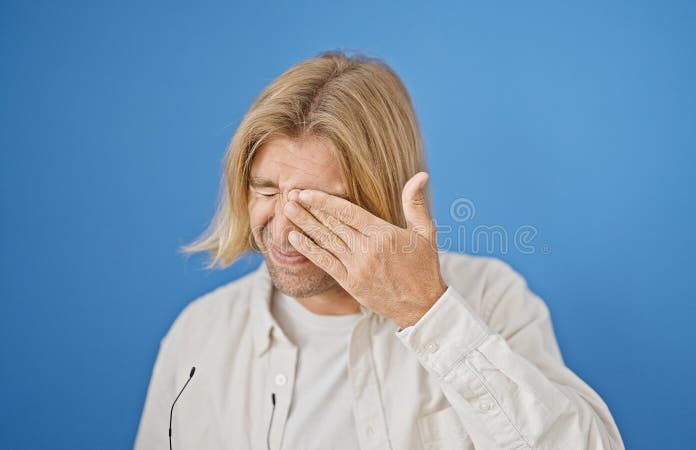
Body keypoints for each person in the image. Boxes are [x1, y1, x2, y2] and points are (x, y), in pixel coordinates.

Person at [133, 50, 624, 450]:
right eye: (265, 191)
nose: (282, 230)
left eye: (318, 205)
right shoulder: (198, 335)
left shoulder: (492, 297)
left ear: (385, 197)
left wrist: (426, 311)